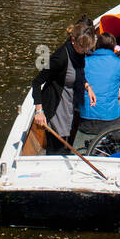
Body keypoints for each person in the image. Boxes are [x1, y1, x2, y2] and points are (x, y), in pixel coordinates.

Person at [31, 16, 97, 154]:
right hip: (57, 106)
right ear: (73, 40)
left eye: (87, 48)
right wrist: (39, 111)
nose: (85, 51)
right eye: (82, 47)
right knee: (56, 149)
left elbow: (79, 73)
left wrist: (88, 87)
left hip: (71, 102)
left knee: (67, 143)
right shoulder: (59, 58)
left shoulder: (79, 53)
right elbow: (36, 82)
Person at [78, 32, 120, 134]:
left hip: (85, 122)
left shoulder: (83, 62)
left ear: (96, 46)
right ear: (114, 48)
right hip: (109, 122)